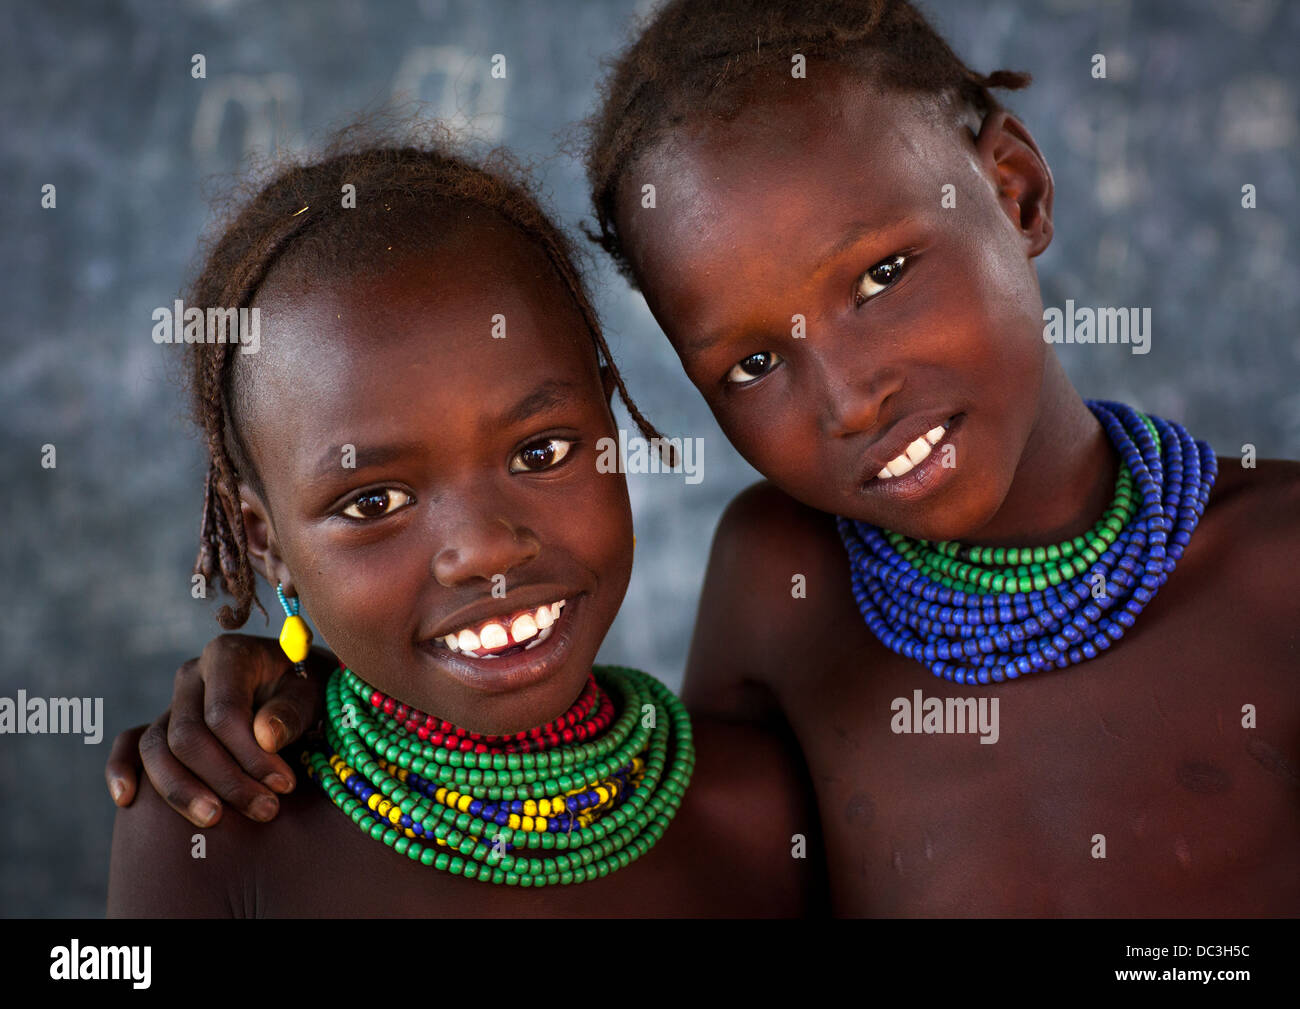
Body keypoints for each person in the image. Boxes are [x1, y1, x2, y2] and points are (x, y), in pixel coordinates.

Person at [110, 1, 1299, 915]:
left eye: (882, 276)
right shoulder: (784, 588)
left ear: (1017, 190)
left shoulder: (1274, 569)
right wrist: (302, 673)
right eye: (747, 365)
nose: (848, 396)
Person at [106, 127, 822, 916]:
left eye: (542, 451)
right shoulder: (210, 831)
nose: (486, 548)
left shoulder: (762, 811)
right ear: (264, 542)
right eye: (374, 502)